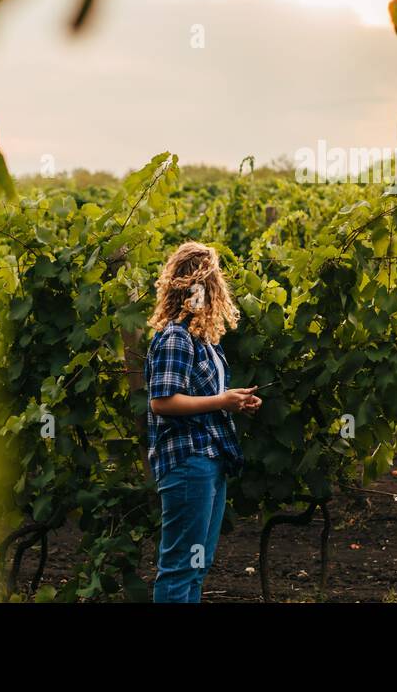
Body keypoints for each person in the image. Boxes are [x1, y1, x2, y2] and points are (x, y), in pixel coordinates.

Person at [145, 241, 260, 603]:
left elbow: (199, 396)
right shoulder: (176, 338)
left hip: (209, 460)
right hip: (188, 462)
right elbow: (162, 401)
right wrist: (222, 400)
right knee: (180, 567)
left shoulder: (202, 340)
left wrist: (233, 402)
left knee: (198, 564)